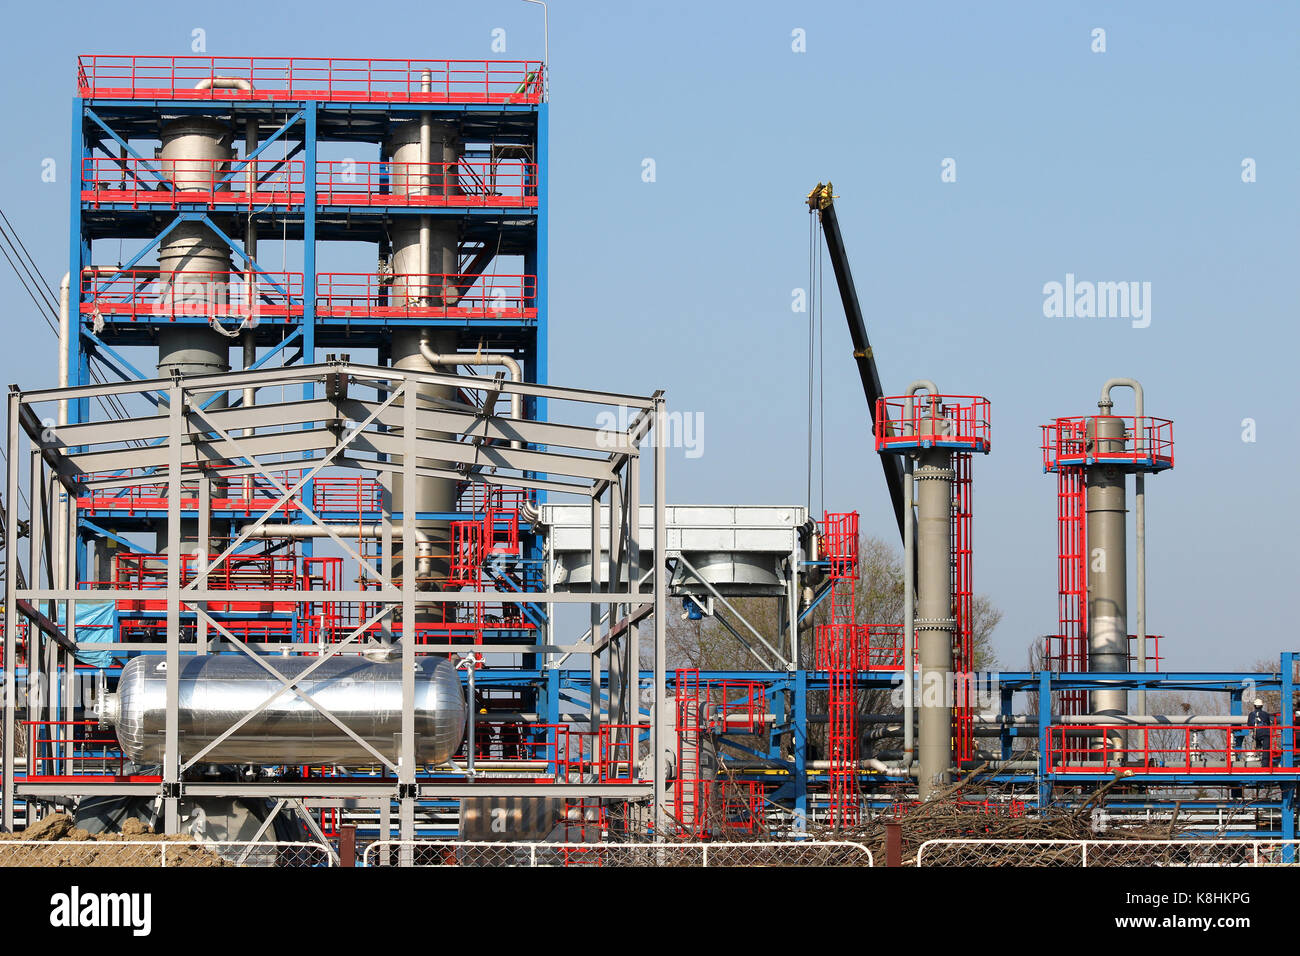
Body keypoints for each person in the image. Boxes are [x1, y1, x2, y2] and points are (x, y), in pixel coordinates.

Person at [1246, 698, 1275, 767]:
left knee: (1256, 740)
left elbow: (1249, 725)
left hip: (1257, 732)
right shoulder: (1265, 714)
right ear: (1262, 706)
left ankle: (1258, 748)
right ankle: (1265, 765)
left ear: (1254, 706)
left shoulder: (1251, 714)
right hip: (1266, 732)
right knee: (1266, 748)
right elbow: (1269, 723)